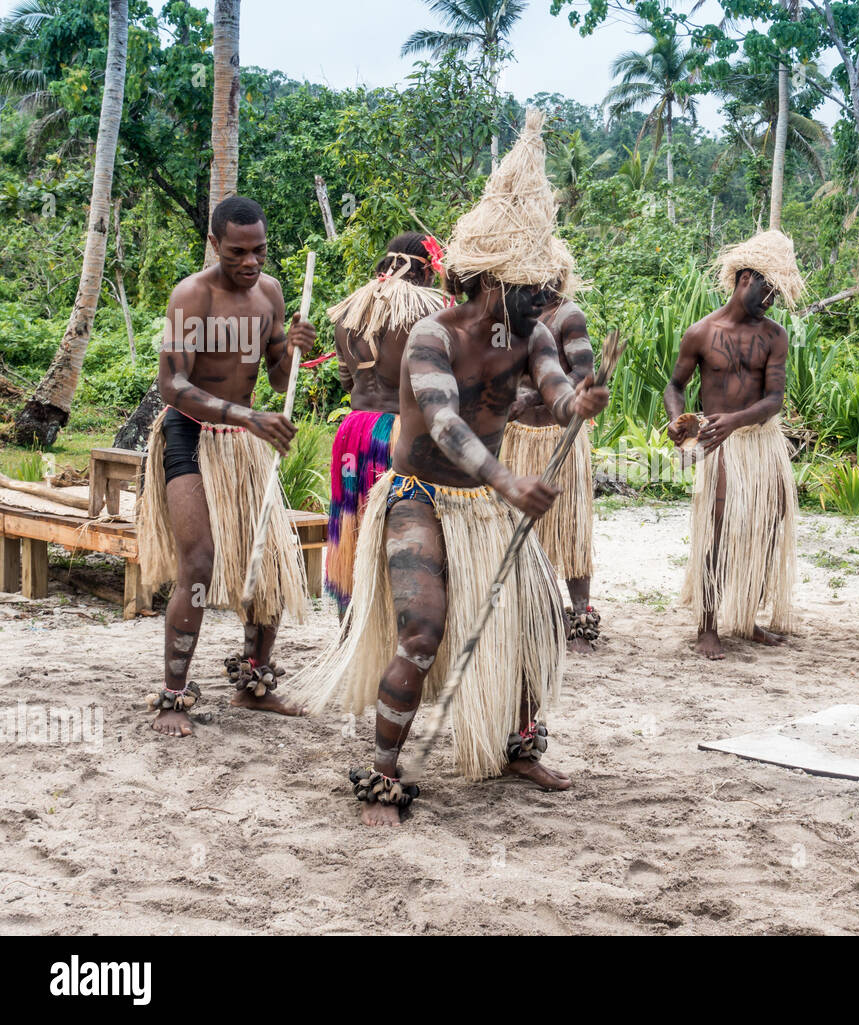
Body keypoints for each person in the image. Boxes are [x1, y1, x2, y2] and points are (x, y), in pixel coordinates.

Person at [298, 110, 609, 825]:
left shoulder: (529, 333)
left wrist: (575, 403)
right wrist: (505, 480)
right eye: (532, 284)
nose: (544, 297)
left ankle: (519, 745)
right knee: (422, 632)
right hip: (419, 497)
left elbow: (548, 392)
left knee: (533, 620)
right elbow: (442, 421)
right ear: (493, 280)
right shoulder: (431, 335)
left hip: (486, 504)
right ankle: (382, 774)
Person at [137, 195, 315, 737]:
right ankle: (173, 696)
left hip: (243, 442)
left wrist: (291, 351)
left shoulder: (271, 295)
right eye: (238, 251)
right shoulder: (192, 296)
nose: (251, 262)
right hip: (189, 433)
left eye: (259, 250)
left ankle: (253, 685)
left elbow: (281, 382)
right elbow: (174, 385)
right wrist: (247, 415)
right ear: (214, 243)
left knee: (268, 561)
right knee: (200, 560)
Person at [665, 229, 804, 660]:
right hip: (718, 444)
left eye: (777, 293)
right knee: (719, 527)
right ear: (745, 277)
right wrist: (677, 420)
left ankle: (746, 617)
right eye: (767, 288)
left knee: (768, 522)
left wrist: (735, 422)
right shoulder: (701, 332)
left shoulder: (775, 336)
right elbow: (675, 385)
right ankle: (708, 625)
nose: (770, 300)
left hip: (760, 442)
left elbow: (774, 401)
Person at [323, 232, 449, 617]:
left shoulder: (350, 309)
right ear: (425, 271)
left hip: (354, 431)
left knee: (352, 525)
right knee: (406, 529)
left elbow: (347, 381)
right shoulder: (429, 310)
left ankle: (349, 622)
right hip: (402, 434)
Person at [500, 237, 601, 651]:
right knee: (525, 532)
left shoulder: (568, 316)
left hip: (557, 435)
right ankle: (536, 612)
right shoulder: (511, 320)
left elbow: (583, 375)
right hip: (517, 437)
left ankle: (581, 617)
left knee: (570, 530)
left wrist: (533, 397)